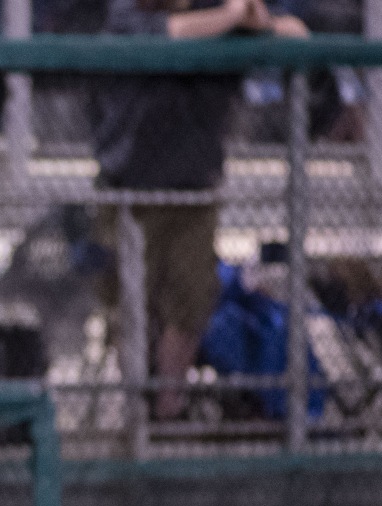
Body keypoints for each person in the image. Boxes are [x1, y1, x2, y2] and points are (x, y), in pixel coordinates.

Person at [90, 0, 307, 420]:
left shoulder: (217, 14)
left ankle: (167, 407)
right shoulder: (128, 14)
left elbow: (296, 34)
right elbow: (169, 33)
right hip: (130, 190)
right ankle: (136, 409)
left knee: (190, 300)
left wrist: (255, 19)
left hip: (194, 189)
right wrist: (231, 15)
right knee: (130, 305)